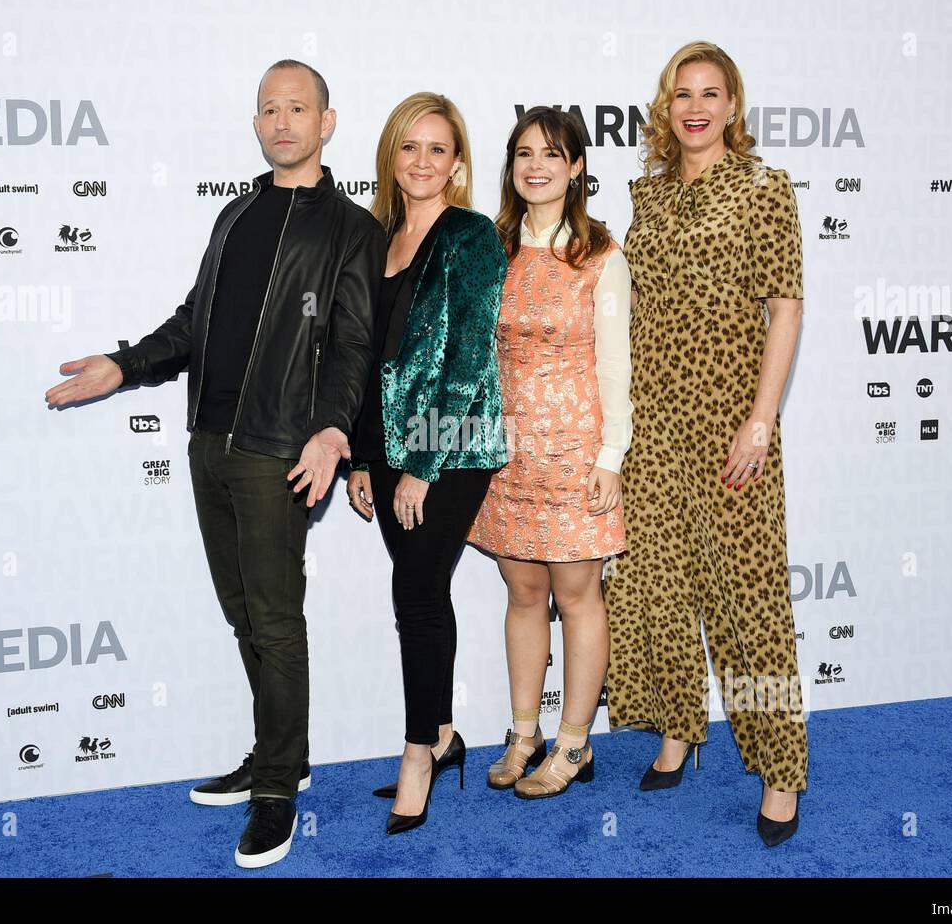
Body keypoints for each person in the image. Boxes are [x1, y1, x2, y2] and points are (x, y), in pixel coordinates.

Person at [43, 59, 385, 868]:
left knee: (275, 619)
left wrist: (334, 430)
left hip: (278, 452)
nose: (281, 122)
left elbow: (355, 344)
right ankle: (279, 752)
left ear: (327, 122)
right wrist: (124, 365)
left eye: (297, 108)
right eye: (268, 109)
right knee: (244, 616)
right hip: (210, 445)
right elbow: (196, 320)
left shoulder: (351, 228)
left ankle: (278, 793)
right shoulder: (233, 215)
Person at [605, 41, 809, 846]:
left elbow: (784, 308)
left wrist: (761, 419)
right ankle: (679, 731)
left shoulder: (766, 188)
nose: (695, 105)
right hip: (651, 419)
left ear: (733, 106)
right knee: (655, 580)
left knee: (749, 598)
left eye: (711, 92)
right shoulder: (648, 198)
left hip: (731, 420)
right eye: (682, 92)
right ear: (668, 105)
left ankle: (782, 768)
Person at [343, 92, 508, 835]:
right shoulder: (374, 239)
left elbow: (470, 358)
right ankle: (441, 734)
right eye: (409, 147)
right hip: (383, 446)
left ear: (459, 163)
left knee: (413, 584)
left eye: (437, 148)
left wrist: (422, 464)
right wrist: (359, 453)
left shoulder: (471, 236)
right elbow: (361, 355)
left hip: (450, 447)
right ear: (391, 157)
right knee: (423, 588)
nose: (421, 161)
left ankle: (418, 753)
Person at [467, 106, 632, 800]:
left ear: (577, 168)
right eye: (524, 153)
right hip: (506, 455)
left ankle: (573, 744)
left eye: (553, 154)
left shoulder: (600, 254)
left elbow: (616, 363)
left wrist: (611, 457)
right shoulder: (489, 247)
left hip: (576, 451)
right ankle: (523, 731)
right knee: (524, 592)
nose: (537, 165)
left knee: (577, 594)